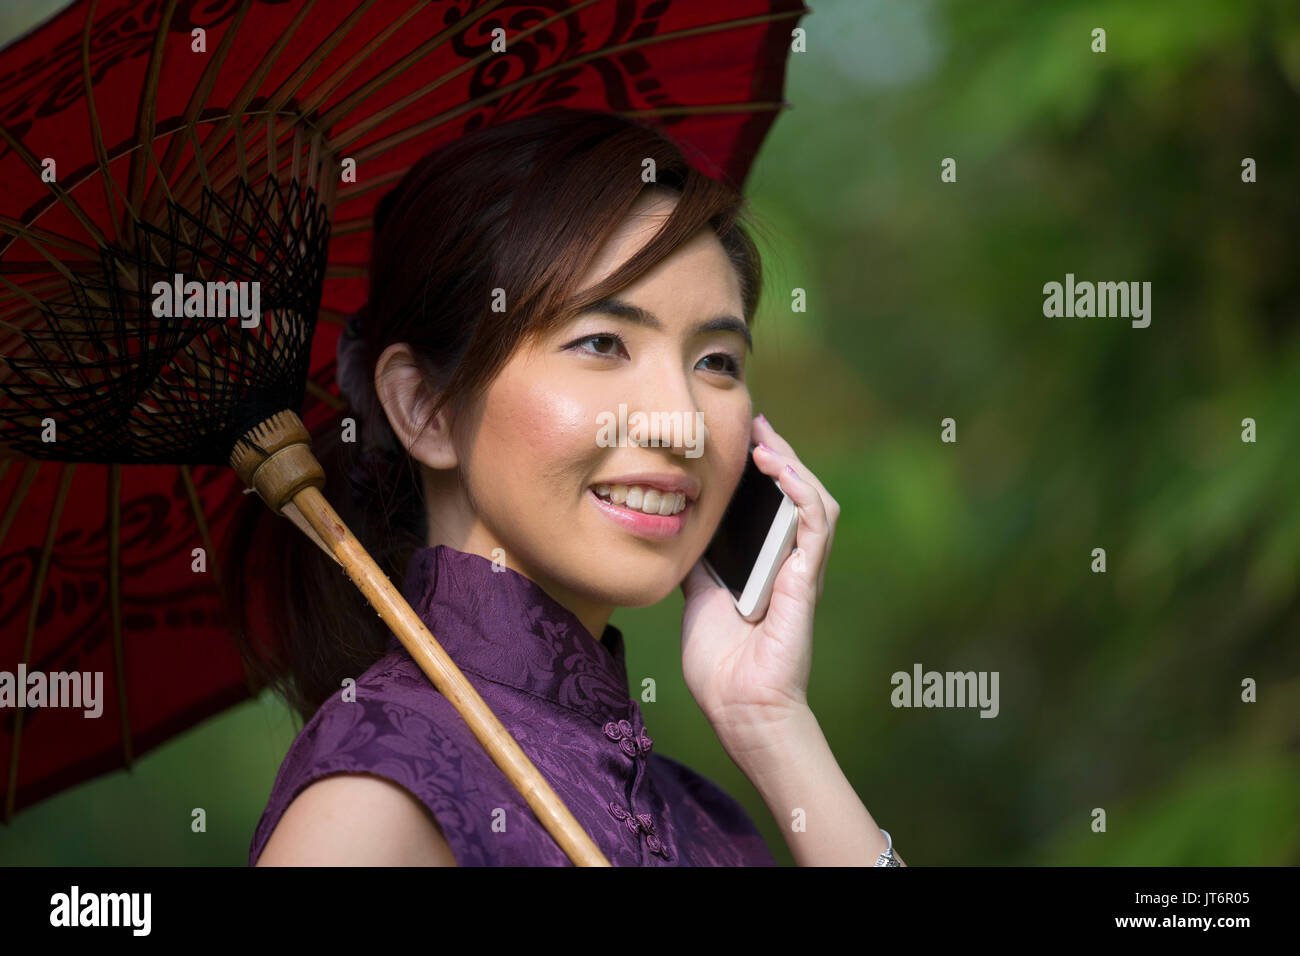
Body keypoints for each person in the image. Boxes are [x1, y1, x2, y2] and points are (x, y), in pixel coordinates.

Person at [229, 107, 904, 866]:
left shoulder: (706, 822)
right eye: (601, 342)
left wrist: (773, 724)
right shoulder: (376, 796)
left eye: (716, 361)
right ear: (427, 408)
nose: (681, 423)